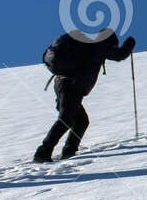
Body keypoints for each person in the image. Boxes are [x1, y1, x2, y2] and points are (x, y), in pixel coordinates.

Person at [34, 29, 136, 162]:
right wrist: (130, 43)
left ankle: (69, 152)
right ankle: (42, 154)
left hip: (63, 84)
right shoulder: (100, 46)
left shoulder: (89, 46)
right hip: (71, 86)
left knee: (81, 121)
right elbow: (120, 55)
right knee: (66, 119)